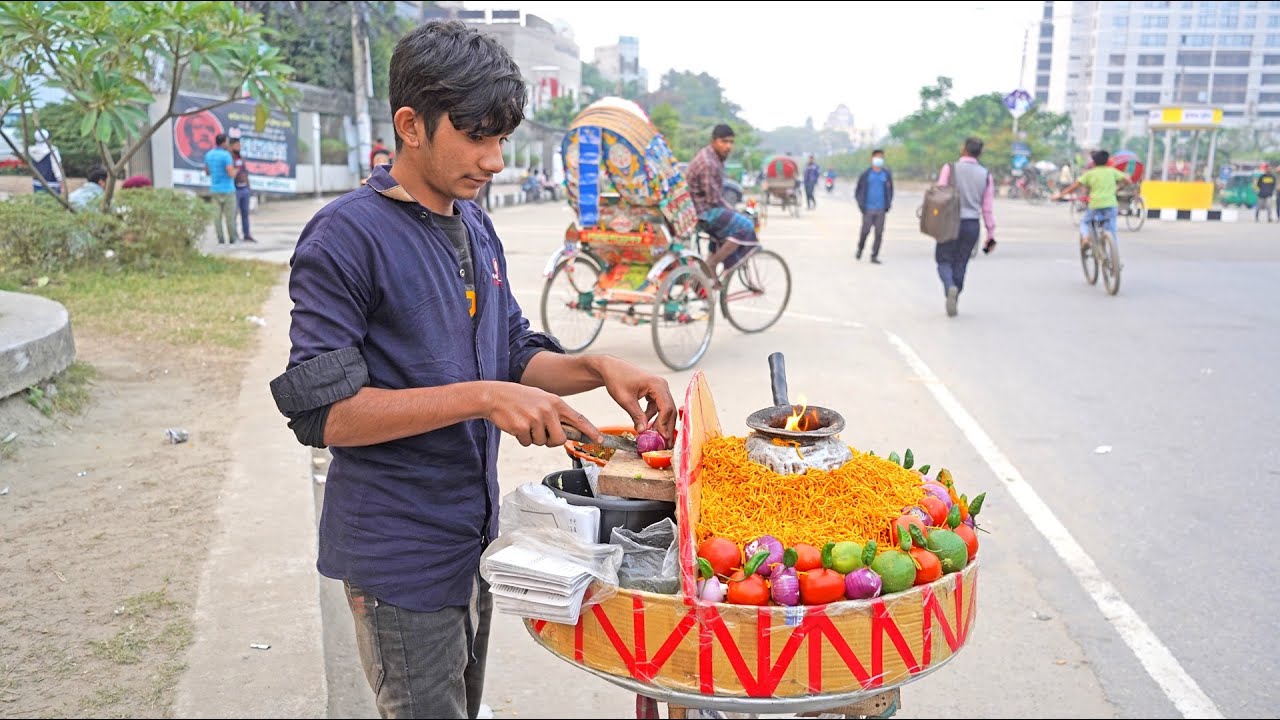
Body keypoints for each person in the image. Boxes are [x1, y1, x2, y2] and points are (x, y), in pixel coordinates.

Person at [267, 20, 676, 720]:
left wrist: (597, 365)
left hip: (471, 536)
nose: (493, 160)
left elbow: (512, 350)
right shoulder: (346, 237)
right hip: (398, 553)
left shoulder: (473, 224)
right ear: (411, 125)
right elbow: (324, 414)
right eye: (476, 136)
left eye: (502, 140)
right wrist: (484, 398)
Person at [935, 137, 997, 318]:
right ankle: (956, 291)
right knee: (961, 261)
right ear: (980, 153)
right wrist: (990, 234)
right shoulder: (986, 175)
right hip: (971, 224)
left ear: (963, 149)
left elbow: (940, 194)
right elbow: (987, 208)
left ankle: (949, 286)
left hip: (949, 222)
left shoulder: (949, 168)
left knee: (943, 260)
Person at [686, 124, 761, 273]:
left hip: (703, 209)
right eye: (724, 142)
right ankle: (712, 263)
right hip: (704, 213)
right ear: (713, 141)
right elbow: (714, 200)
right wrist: (734, 211)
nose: (728, 146)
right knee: (746, 225)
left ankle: (706, 279)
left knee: (735, 220)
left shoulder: (712, 157)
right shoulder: (708, 163)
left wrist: (732, 210)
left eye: (731, 142)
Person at [1051, 149, 1132, 251]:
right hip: (1111, 205)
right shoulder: (1112, 172)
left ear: (1094, 162)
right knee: (1111, 229)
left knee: (1085, 222)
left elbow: (1074, 186)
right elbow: (1128, 181)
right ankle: (1114, 254)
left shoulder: (1090, 174)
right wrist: (1118, 187)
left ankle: (1085, 238)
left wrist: (1060, 195)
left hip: (1095, 205)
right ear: (1107, 161)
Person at [853, 148, 894, 264]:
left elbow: (890, 190)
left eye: (881, 157)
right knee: (865, 231)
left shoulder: (886, 175)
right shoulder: (866, 174)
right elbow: (858, 190)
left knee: (879, 233)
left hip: (881, 209)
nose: (879, 160)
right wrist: (861, 205)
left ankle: (874, 255)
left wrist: (888, 204)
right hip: (868, 209)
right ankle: (860, 248)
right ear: (872, 159)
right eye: (877, 157)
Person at [203, 133, 239, 244]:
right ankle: (233, 239)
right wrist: (237, 170)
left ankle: (221, 239)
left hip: (215, 189)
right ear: (224, 142)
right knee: (230, 217)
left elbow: (207, 172)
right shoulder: (226, 155)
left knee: (216, 218)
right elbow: (230, 173)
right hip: (228, 190)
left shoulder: (209, 155)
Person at [229, 137, 257, 243]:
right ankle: (235, 236)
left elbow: (245, 173)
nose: (239, 147)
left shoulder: (241, 158)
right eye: (237, 145)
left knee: (245, 214)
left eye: (240, 145)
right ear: (231, 146)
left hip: (244, 189)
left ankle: (247, 235)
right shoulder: (229, 158)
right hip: (235, 189)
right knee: (234, 214)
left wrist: (249, 188)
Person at [29, 128, 64, 197]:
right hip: (52, 184)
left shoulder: (32, 151)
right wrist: (61, 182)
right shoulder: (53, 151)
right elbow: (56, 168)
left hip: (37, 183)